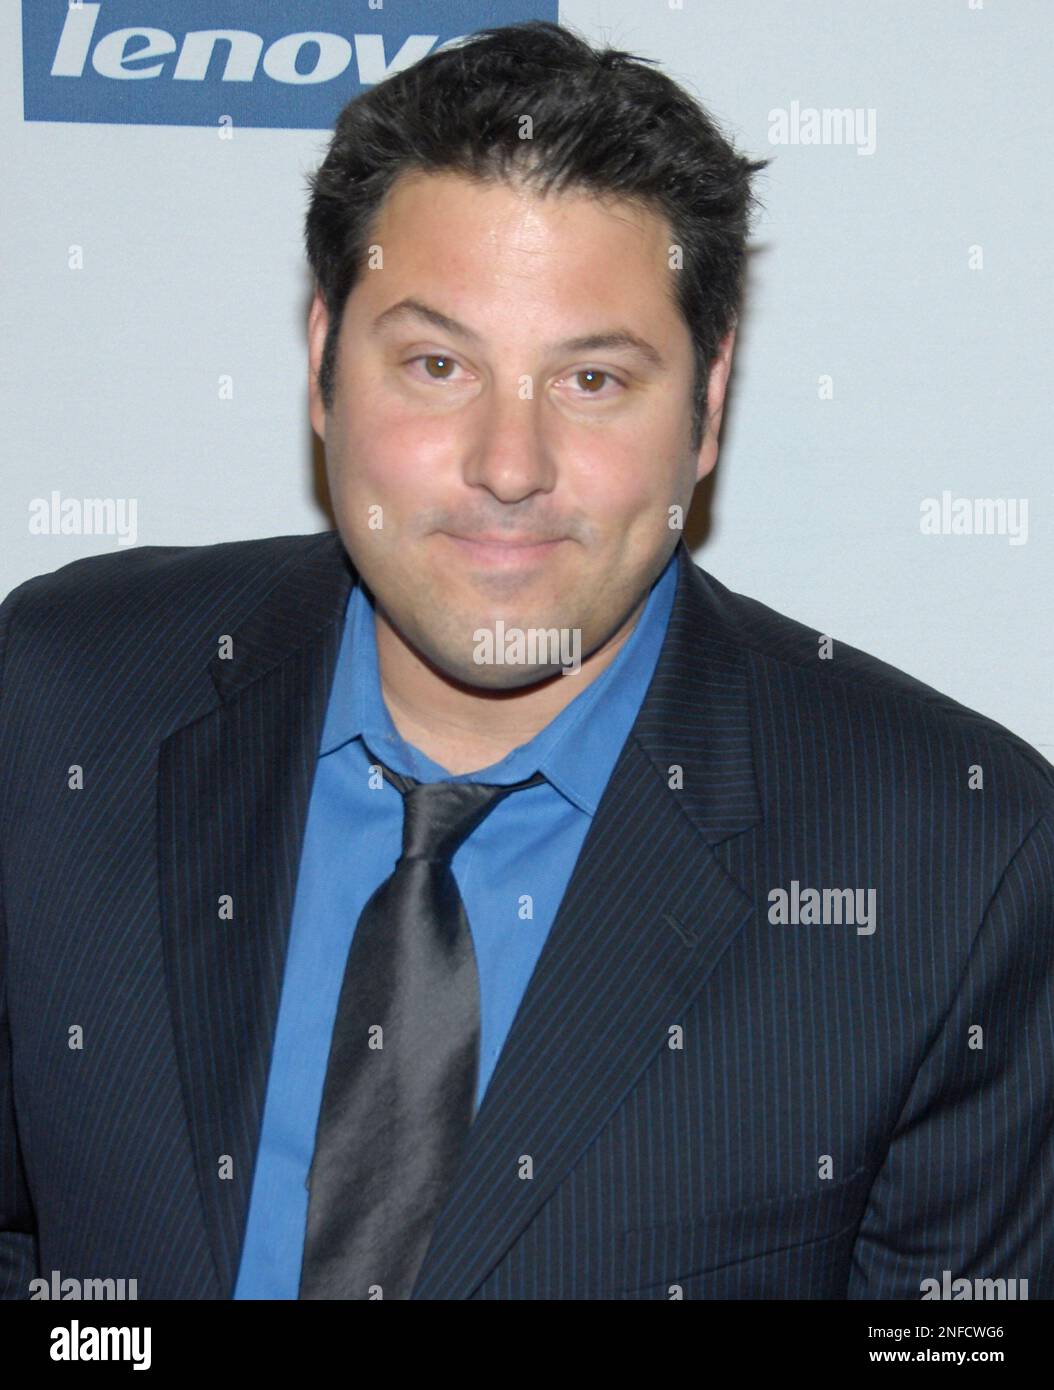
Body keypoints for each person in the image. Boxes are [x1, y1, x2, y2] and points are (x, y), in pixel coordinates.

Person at [1, 20, 1051, 1302]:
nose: (509, 465)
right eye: (437, 364)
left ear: (708, 406)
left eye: (594, 380)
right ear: (324, 366)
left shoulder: (953, 854)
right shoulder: (58, 703)